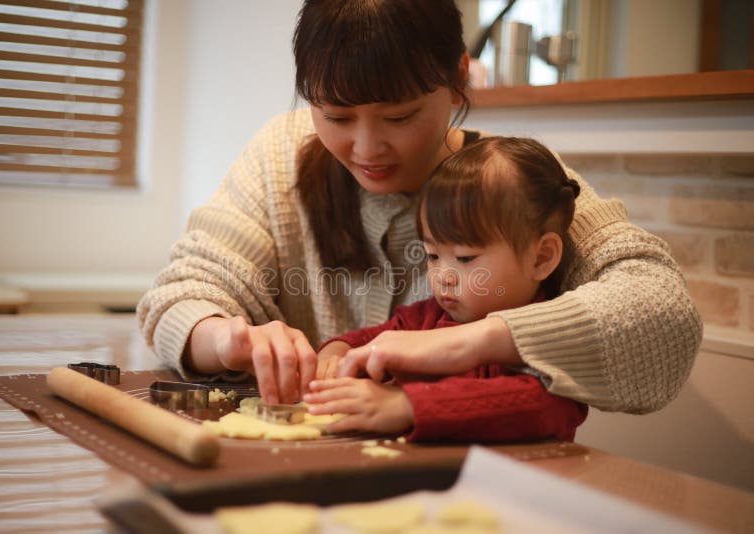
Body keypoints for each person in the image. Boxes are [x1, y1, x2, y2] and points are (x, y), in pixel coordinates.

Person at [137, 0, 701, 413]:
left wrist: (466, 341)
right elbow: (181, 291)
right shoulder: (279, 155)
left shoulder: (512, 184)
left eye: (399, 117)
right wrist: (224, 338)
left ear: (457, 81)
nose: (366, 148)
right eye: (335, 116)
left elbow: (663, 316)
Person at [304, 136, 588, 440]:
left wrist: (406, 406)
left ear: (541, 257)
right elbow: (375, 339)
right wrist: (338, 352)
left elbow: (542, 406)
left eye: (465, 258)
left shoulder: (553, 339)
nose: (443, 276)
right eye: (433, 256)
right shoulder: (425, 318)